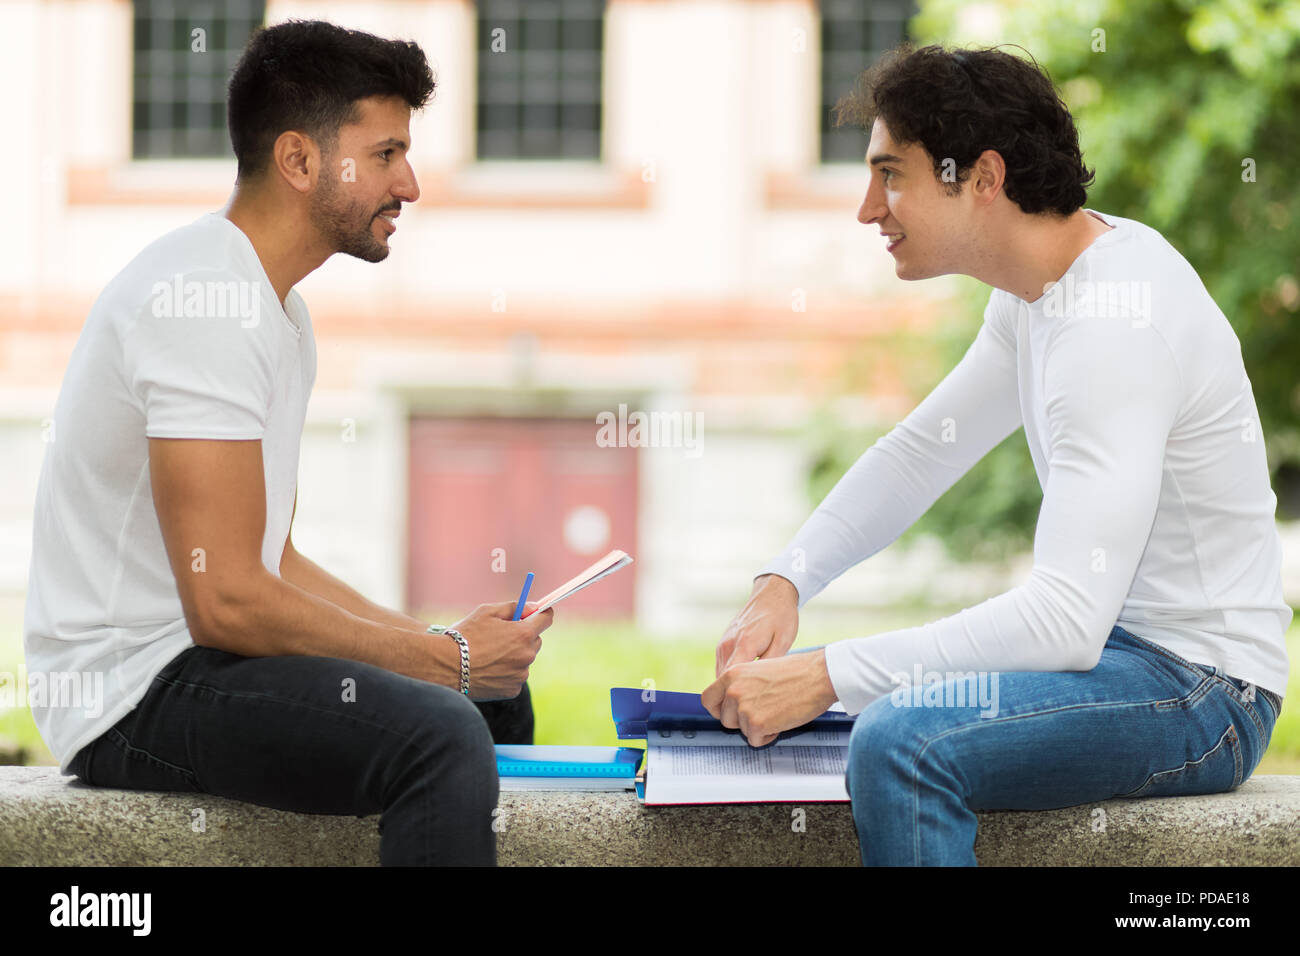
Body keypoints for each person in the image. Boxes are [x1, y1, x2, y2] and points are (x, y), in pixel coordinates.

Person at [703, 43, 1289, 866]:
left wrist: (826, 674)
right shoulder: (1037, 292)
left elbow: (1063, 623)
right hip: (1120, 662)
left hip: (1200, 689)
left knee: (903, 743)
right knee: (860, 707)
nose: (869, 208)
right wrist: (784, 580)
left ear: (982, 178)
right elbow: (918, 455)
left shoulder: (1113, 326)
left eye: (892, 174)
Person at [22, 19, 552, 866]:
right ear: (301, 162)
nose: (410, 183)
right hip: (130, 694)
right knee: (444, 730)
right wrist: (442, 658)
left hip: (202, 662)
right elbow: (227, 599)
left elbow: (274, 557)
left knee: (497, 706)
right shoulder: (201, 298)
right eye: (385, 155)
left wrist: (441, 641)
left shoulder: (279, 311)